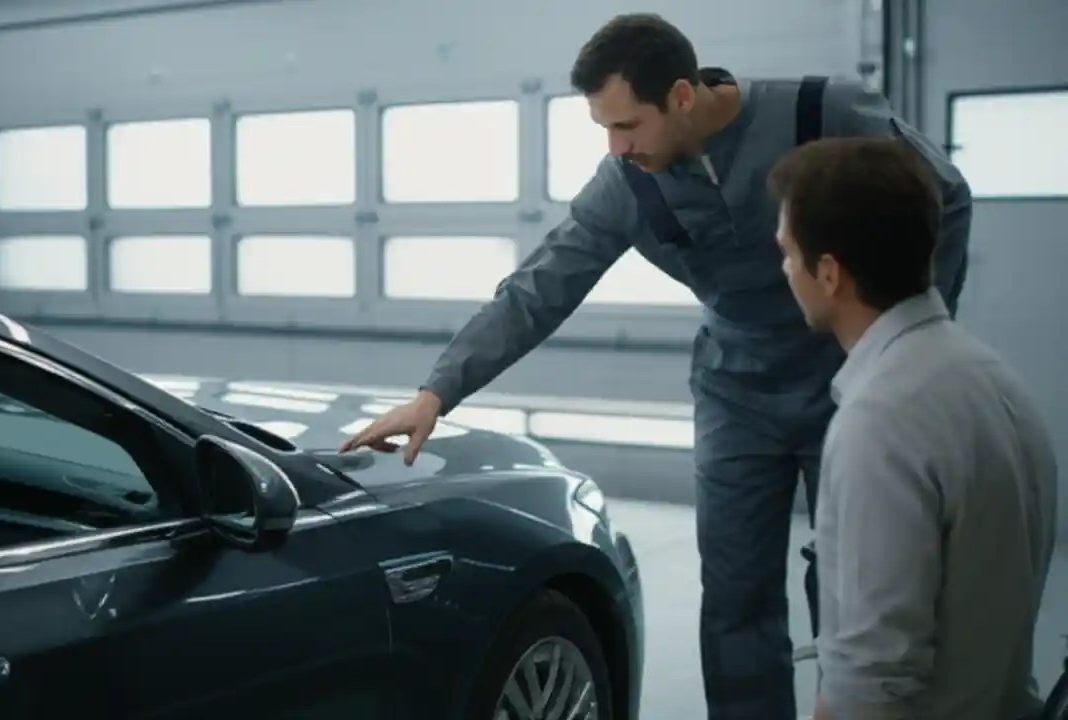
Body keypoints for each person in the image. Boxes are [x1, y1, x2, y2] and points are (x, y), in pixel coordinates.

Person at [340, 13, 972, 718]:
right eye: (604, 130)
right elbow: (540, 286)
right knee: (735, 598)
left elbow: (946, 198)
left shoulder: (827, 114)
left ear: (680, 96)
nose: (617, 147)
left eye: (627, 126)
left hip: (850, 389)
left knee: (856, 585)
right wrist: (437, 392)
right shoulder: (626, 182)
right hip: (737, 395)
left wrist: (900, 351)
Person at [768, 136, 1058, 720]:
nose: (783, 269)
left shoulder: (881, 420)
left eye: (787, 252)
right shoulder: (991, 377)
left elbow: (871, 679)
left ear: (828, 273)